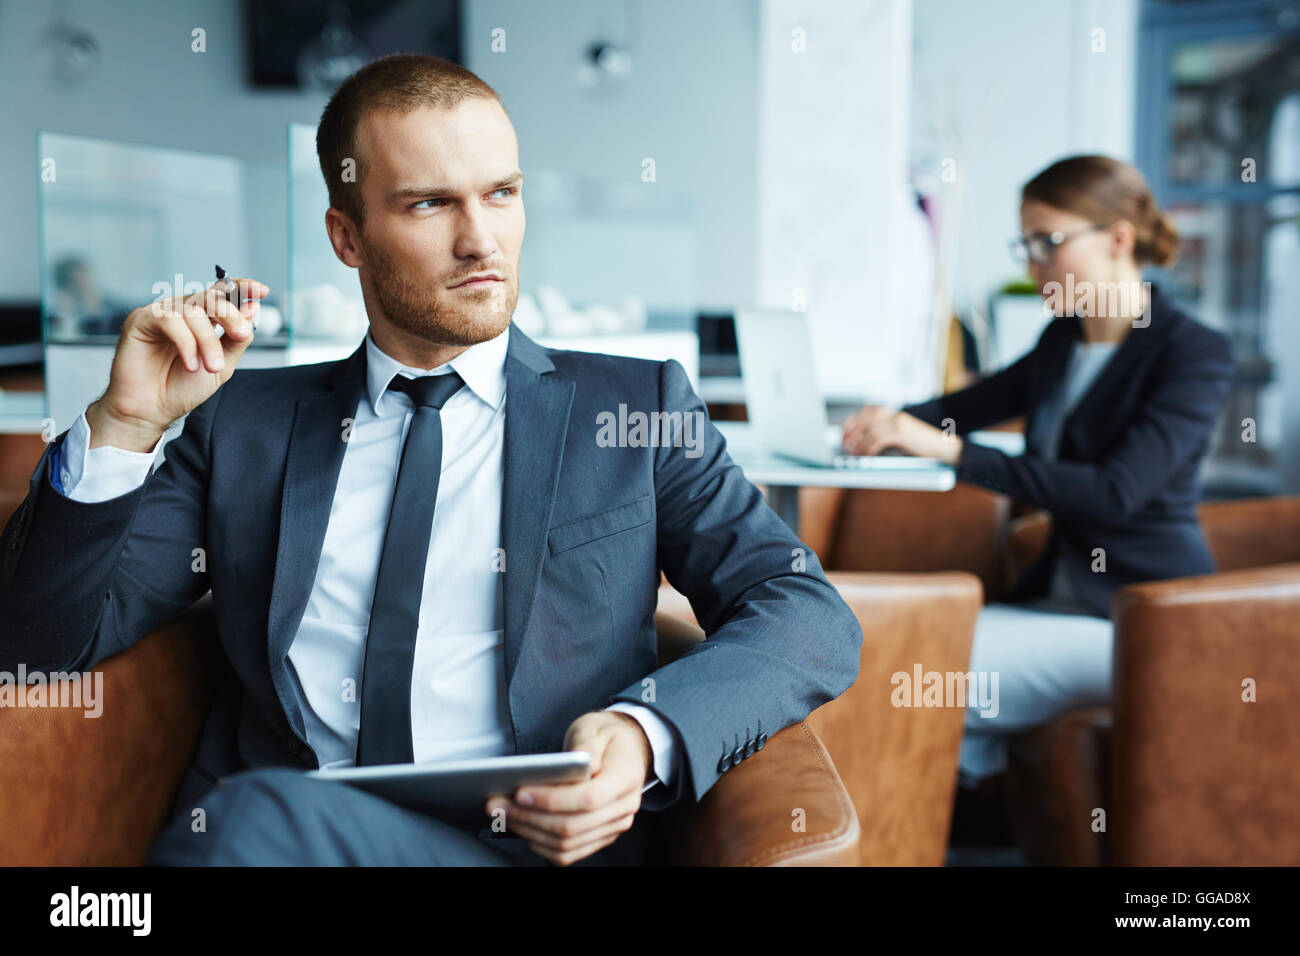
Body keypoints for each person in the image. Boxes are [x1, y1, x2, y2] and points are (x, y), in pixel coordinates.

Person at [0, 54, 862, 867]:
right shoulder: (244, 425)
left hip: (522, 849)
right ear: (349, 237)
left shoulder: (635, 410)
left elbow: (803, 608)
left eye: (502, 193)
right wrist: (124, 423)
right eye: (428, 205)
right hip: (290, 838)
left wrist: (645, 734)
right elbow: (37, 646)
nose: (481, 239)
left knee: (253, 824)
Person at [841, 154, 1233, 785]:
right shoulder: (1064, 340)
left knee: (904, 671)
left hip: (1135, 620)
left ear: (1118, 240)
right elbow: (963, 407)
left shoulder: (1191, 353)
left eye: (1048, 243)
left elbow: (1113, 493)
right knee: (889, 661)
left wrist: (951, 452)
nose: (1031, 266)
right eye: (1024, 245)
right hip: (1054, 605)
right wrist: (884, 423)